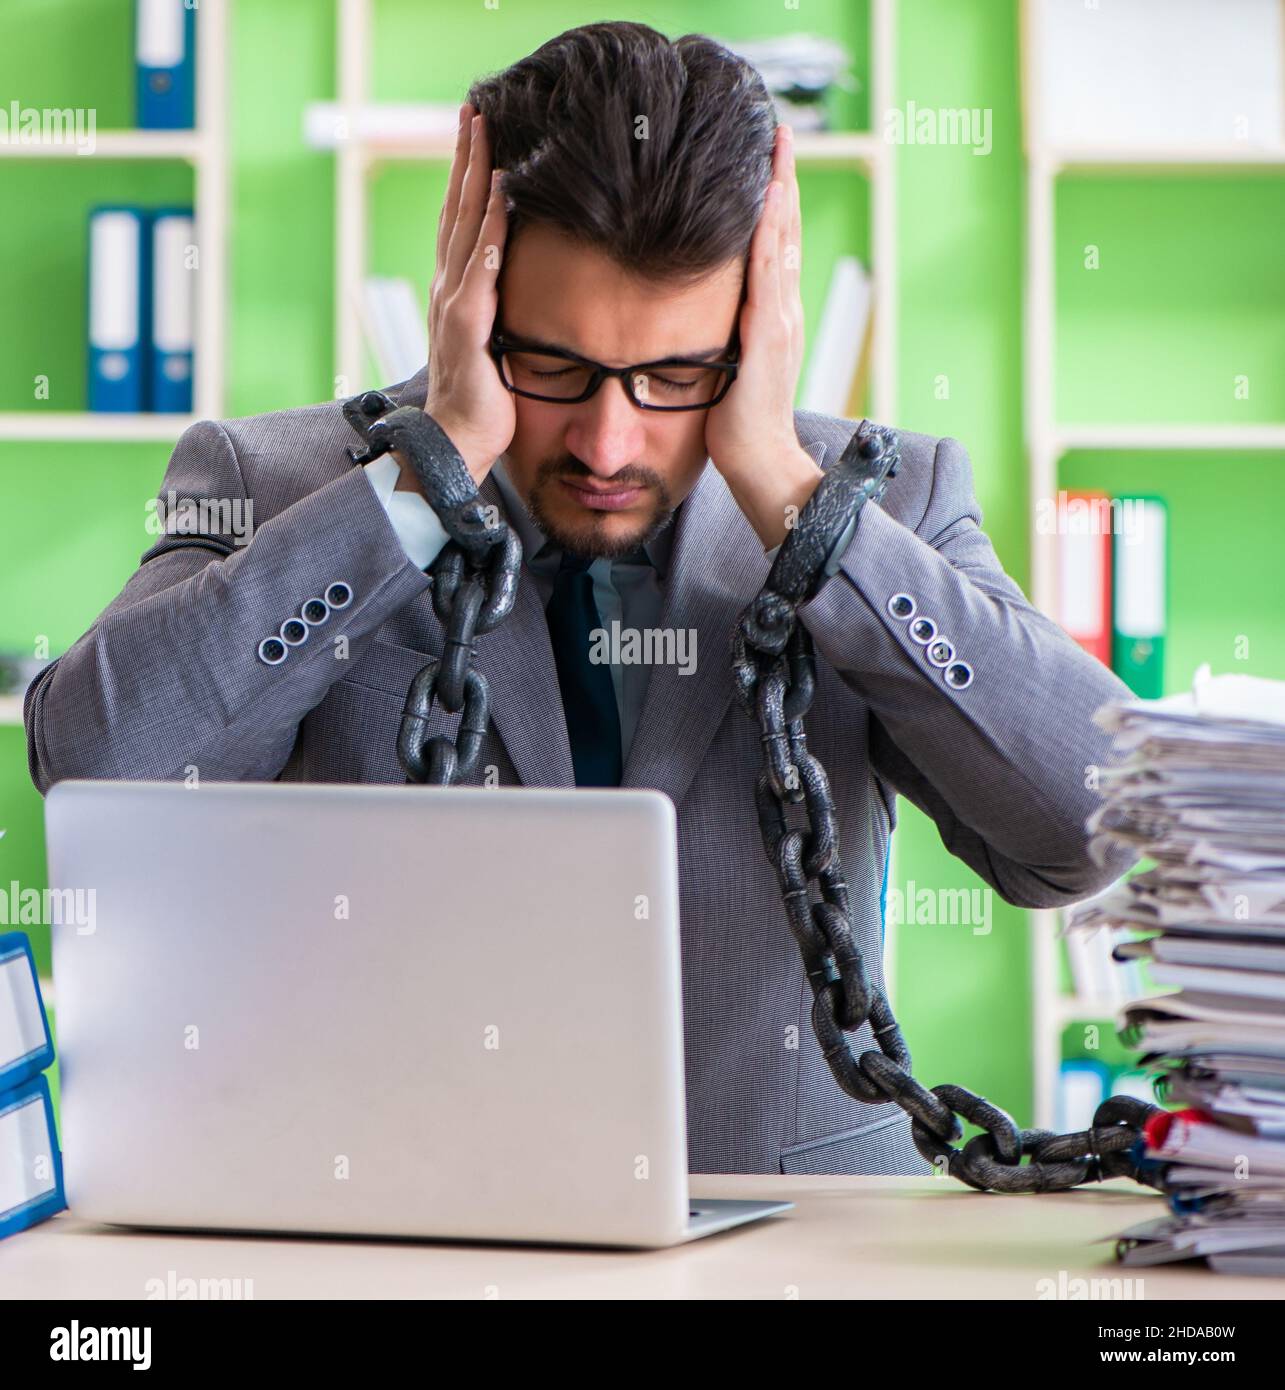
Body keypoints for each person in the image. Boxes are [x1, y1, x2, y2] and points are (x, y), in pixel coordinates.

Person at [25, 22, 1137, 1175]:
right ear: (468, 290)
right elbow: (97, 766)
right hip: (387, 1238)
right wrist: (420, 481)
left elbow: (1087, 822)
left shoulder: (889, 499)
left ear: (760, 328)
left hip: (795, 1260)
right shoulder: (277, 486)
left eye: (675, 375)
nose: (609, 440)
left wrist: (800, 509)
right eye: (550, 365)